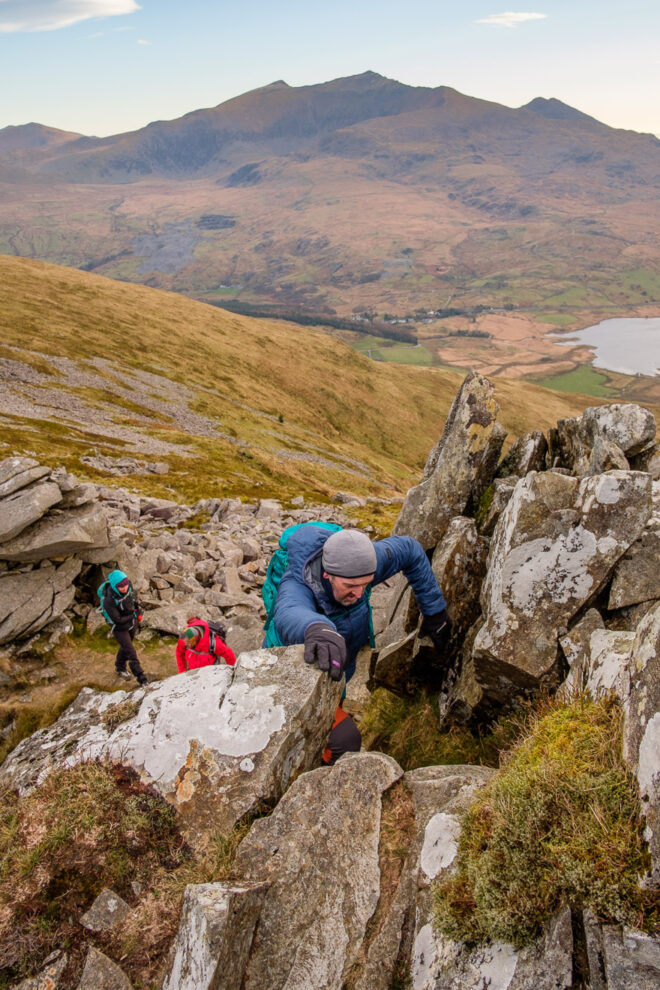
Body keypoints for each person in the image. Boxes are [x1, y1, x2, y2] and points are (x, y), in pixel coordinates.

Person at [272, 527, 451, 762]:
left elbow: (410, 550)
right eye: (350, 586)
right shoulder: (298, 582)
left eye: (366, 584)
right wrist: (316, 627)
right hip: (291, 674)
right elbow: (289, 610)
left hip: (334, 667)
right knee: (344, 741)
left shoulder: (363, 565)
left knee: (330, 728)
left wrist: (435, 611)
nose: (358, 594)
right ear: (327, 574)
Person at [101, 569, 148, 687]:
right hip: (119, 627)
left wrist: (137, 611)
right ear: (115, 586)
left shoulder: (129, 586)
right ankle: (142, 678)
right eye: (120, 586)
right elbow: (117, 620)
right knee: (131, 652)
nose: (124, 588)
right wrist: (134, 615)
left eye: (125, 584)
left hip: (132, 622)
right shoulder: (109, 600)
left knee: (126, 646)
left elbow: (133, 600)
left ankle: (120, 667)